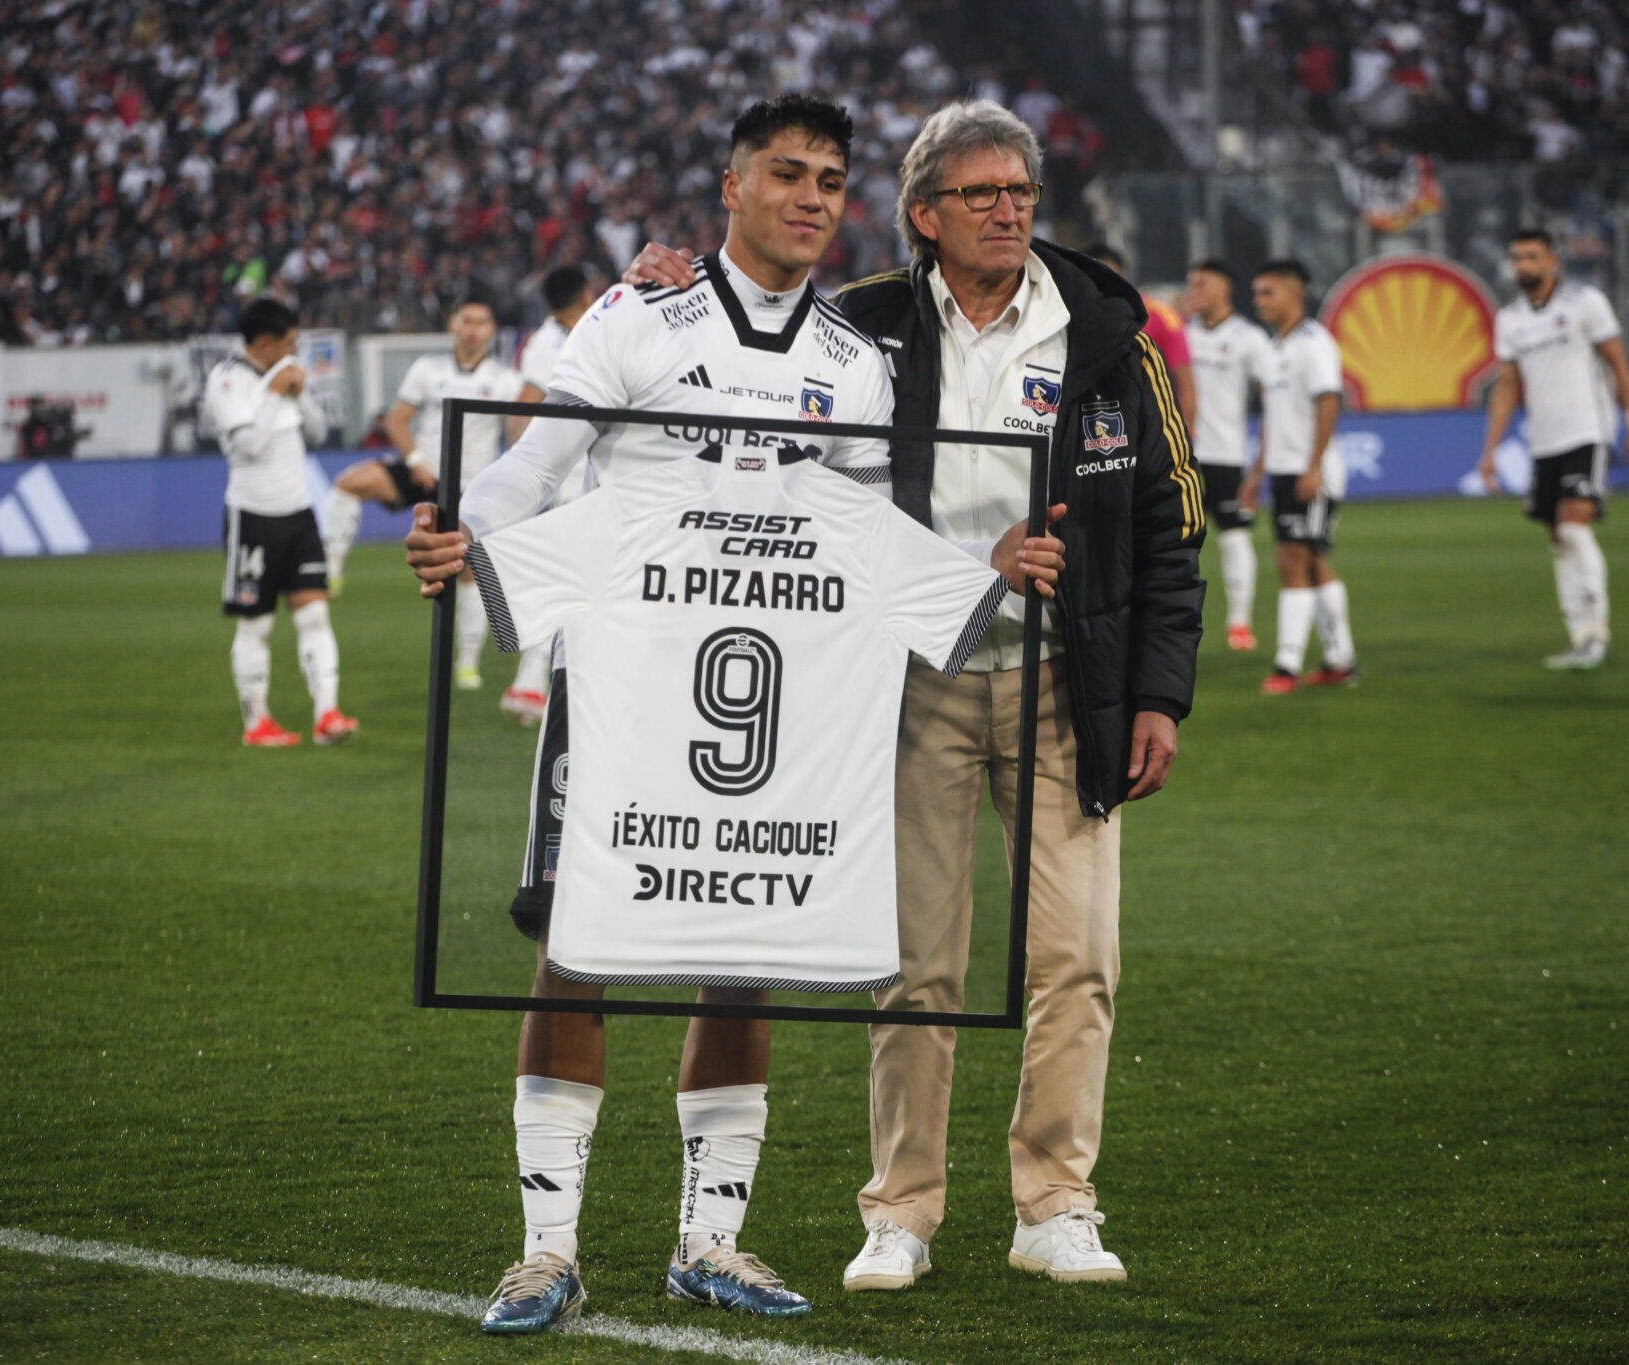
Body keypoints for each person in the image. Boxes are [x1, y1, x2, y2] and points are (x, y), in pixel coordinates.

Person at [403, 96, 1044, 1334]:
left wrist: (987, 566)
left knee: (744, 954)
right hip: (621, 686)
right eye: (785, 174)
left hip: (787, 699)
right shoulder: (639, 315)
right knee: (575, 950)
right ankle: (545, 1252)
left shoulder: (856, 363)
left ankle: (713, 1240)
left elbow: (876, 539)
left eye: (828, 179)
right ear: (731, 186)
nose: (810, 197)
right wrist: (462, 527)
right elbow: (534, 462)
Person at [621, 98, 1204, 1290]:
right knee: (914, 971)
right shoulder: (864, 328)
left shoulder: (1104, 330)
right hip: (910, 690)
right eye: (980, 195)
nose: (1007, 211)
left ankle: (1055, 1204)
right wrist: (661, 302)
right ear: (924, 214)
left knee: (1076, 959)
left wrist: (1159, 694)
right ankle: (901, 1210)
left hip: (1065, 685)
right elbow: (753, 414)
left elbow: (1167, 523)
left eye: (1019, 193)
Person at [321, 298, 541, 691]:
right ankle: (332, 569)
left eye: (483, 321)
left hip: (468, 484)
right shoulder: (428, 368)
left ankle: (468, 663)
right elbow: (397, 419)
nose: (474, 328)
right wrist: (417, 459)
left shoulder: (506, 380)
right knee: (348, 483)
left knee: (469, 571)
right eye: (467, 320)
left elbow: (519, 432)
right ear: (453, 324)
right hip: (422, 470)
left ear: (492, 331)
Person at [1476, 228, 1629, 669]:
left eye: (1532, 257)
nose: (1523, 266)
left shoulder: (1584, 304)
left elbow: (1618, 363)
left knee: (1574, 526)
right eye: (1517, 258)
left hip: (1587, 431)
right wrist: (1490, 450)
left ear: (1552, 261)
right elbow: (1507, 387)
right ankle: (1579, 636)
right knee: (1557, 537)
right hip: (1543, 439)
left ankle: (1597, 635)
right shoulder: (1510, 319)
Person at [203, 296, 358, 747]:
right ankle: (257, 723)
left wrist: (300, 394)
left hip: (299, 514)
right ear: (266, 342)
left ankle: (327, 713)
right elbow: (248, 447)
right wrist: (273, 393)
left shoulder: (285, 375)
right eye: (289, 341)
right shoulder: (228, 380)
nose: (296, 348)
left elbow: (315, 433)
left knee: (315, 614)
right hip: (253, 516)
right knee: (257, 625)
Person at [1241, 259, 1359, 693]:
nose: (1259, 301)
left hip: (1312, 473)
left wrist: (1313, 467)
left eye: (1267, 292)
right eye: (1257, 293)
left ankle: (1287, 666)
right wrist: (1257, 474)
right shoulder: (1275, 348)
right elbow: (1275, 420)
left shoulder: (1314, 344)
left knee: (1292, 562)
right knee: (1312, 561)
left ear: (1295, 294)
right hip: (1284, 471)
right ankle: (1340, 661)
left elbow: (1329, 403)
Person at [499, 265, 601, 725]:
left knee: (576, 588)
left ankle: (533, 684)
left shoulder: (553, 341)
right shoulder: (563, 340)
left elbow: (520, 418)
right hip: (573, 486)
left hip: (583, 482)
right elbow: (522, 409)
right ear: (586, 292)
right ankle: (531, 684)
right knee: (572, 587)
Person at [1183, 258, 1272, 651]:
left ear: (1223, 288)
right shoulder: (1182, 333)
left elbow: (1275, 397)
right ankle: (1177, 621)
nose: (1194, 292)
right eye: (1191, 285)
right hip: (1181, 454)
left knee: (1234, 537)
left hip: (1226, 455)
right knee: (1174, 541)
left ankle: (1239, 623)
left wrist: (1262, 461)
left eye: (1201, 284)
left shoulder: (1249, 338)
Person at [1085, 242, 1196, 430]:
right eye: (1094, 276)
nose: (1103, 284)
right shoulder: (1067, 318)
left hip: (1148, 433)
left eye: (1110, 276)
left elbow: (1186, 385)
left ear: (1123, 277)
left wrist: (1184, 442)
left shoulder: (1160, 315)